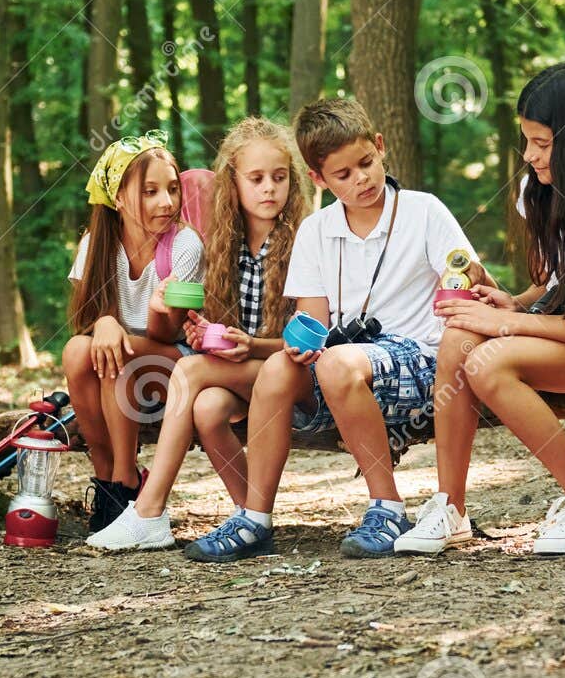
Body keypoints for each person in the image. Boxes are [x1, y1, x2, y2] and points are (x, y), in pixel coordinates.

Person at [185, 98, 492, 562]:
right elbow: (313, 325)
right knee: (276, 371)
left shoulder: (422, 211)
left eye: (365, 163)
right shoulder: (316, 231)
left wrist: (467, 280)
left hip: (420, 361)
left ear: (381, 148)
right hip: (344, 364)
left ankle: (387, 509)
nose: (361, 179)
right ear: (317, 179)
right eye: (343, 175)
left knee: (337, 362)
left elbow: (470, 279)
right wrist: (298, 347)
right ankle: (254, 518)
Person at [395, 61, 565, 556]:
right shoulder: (537, 192)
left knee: (486, 359)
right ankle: (450, 506)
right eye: (527, 141)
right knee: (461, 338)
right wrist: (512, 300)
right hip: (563, 326)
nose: (530, 156)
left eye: (542, 145)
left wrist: (508, 321)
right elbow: (552, 282)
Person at [87, 119, 309, 551]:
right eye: (257, 179)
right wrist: (206, 331)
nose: (269, 189)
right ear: (233, 183)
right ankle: (254, 519)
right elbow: (221, 326)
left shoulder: (305, 240)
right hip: (245, 376)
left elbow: (312, 339)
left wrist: (254, 346)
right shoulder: (225, 244)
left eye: (279, 178)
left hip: (296, 374)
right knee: (207, 408)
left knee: (188, 371)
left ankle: (148, 511)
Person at [63, 130, 202, 532]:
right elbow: (85, 322)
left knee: (116, 355)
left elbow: (168, 333)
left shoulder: (185, 245)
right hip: (119, 361)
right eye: (151, 191)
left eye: (173, 189)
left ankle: (126, 482)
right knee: (76, 350)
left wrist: (124, 324)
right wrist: (104, 319)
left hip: (175, 362)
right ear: (119, 197)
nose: (167, 202)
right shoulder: (97, 244)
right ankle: (106, 473)